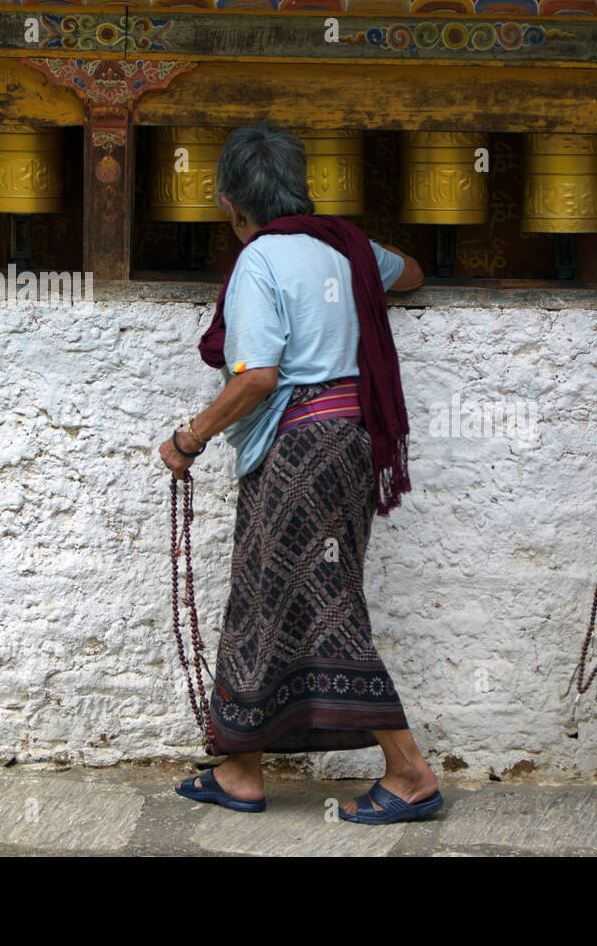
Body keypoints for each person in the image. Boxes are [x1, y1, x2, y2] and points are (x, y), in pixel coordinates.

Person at [157, 121, 443, 824]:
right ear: (301, 184)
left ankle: (410, 772)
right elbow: (411, 272)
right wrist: (363, 258)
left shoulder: (258, 262)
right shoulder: (344, 248)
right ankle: (241, 769)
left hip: (297, 447)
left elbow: (257, 377)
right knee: (260, 596)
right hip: (349, 442)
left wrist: (189, 437)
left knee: (324, 599)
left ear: (230, 203)